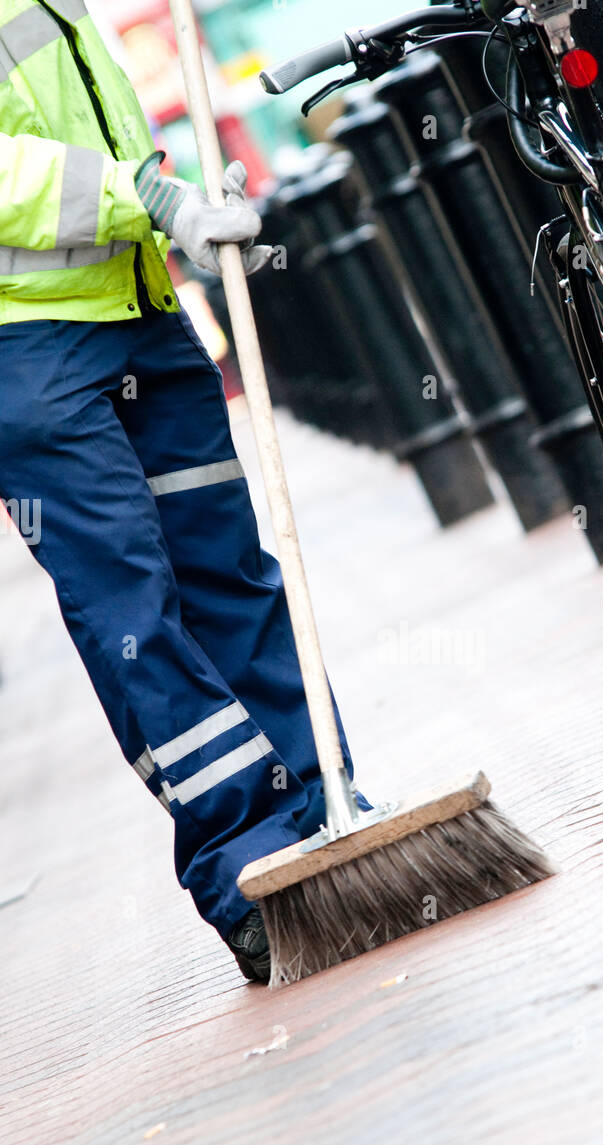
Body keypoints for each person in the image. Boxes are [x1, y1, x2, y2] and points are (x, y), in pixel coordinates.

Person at [0, 0, 362, 981]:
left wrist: (178, 201)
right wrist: (149, 200)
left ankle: (326, 809)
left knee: (230, 575)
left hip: (142, 316)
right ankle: (247, 863)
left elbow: (90, 124)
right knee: (134, 611)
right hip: (25, 355)